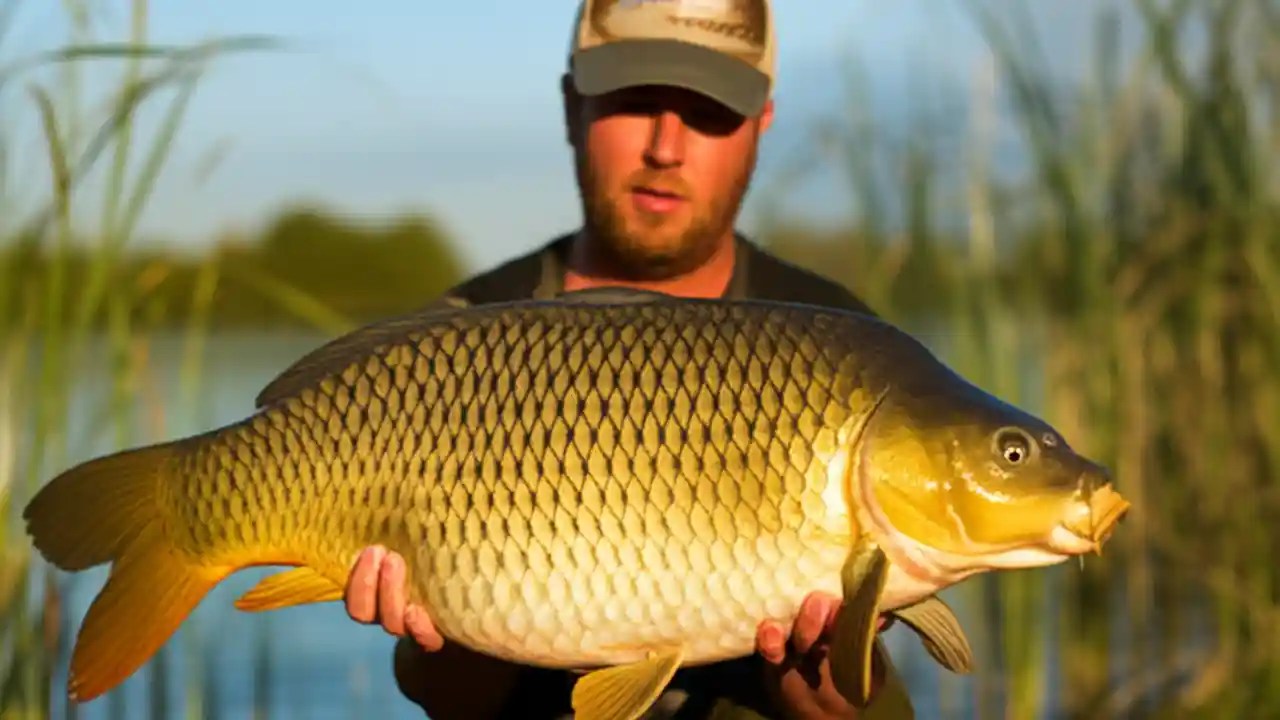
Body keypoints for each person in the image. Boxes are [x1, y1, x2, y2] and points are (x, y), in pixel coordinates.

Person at [344, 0, 917, 717]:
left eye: (708, 111)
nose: (666, 147)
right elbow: (451, 701)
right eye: (635, 101)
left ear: (762, 123)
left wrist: (823, 689)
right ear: (571, 107)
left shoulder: (842, 349)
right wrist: (453, 630)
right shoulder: (458, 344)